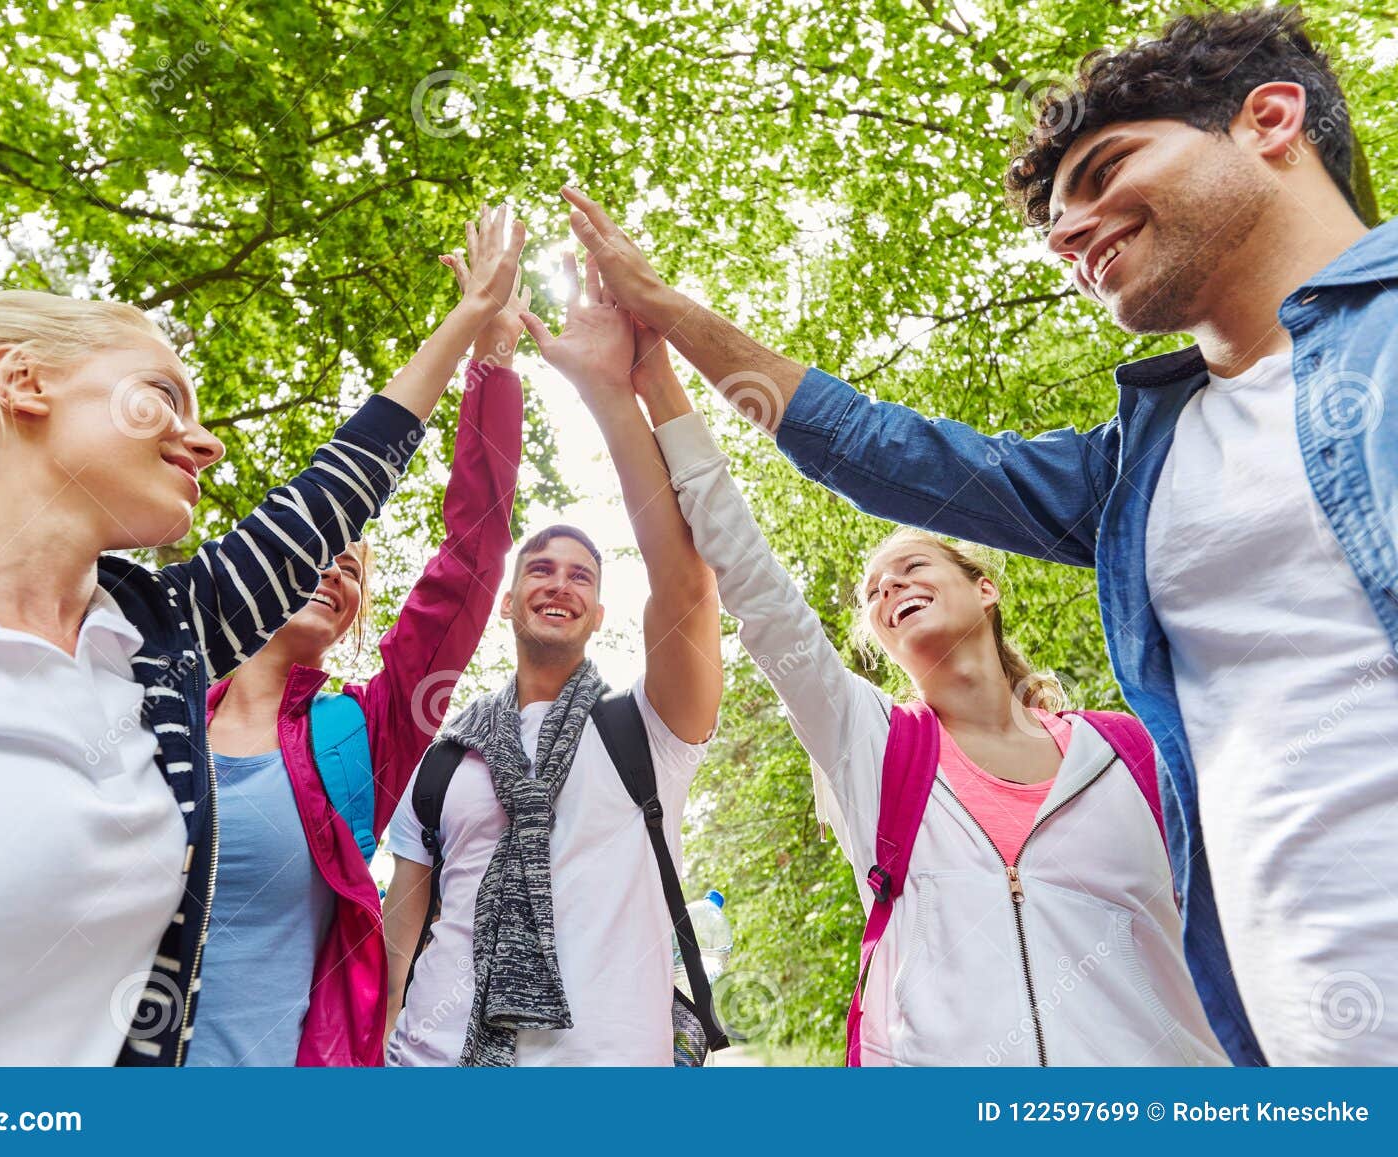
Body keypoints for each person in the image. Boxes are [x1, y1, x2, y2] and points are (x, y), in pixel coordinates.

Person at [558, 5, 1394, 1066]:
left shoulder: (1120, 757)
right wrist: (660, 332)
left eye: (1105, 171)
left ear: (1269, 120)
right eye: (1055, 219)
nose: (1068, 235)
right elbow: (871, 451)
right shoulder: (1138, 476)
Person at [0, 207, 526, 1066]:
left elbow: (357, 494)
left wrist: (477, 332)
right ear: (24, 382)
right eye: (165, 395)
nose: (206, 442)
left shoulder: (152, 653)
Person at [633, 328, 1225, 1065]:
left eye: (911, 566)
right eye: (873, 592)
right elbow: (754, 581)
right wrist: (656, 377)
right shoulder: (873, 746)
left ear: (986, 588)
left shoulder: (1130, 751)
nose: (890, 587)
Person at [189, 209, 529, 1067]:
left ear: (350, 615)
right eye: (317, 551)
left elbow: (473, 555)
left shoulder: (358, 737)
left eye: (351, 569)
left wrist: (491, 363)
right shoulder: (156, 705)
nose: (333, 569)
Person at [380, 255, 721, 1066]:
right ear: (507, 601)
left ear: (600, 613)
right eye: (539, 568)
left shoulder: (648, 731)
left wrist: (618, 389)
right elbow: (401, 927)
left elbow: (687, 582)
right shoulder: (443, 757)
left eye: (581, 576)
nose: (559, 583)